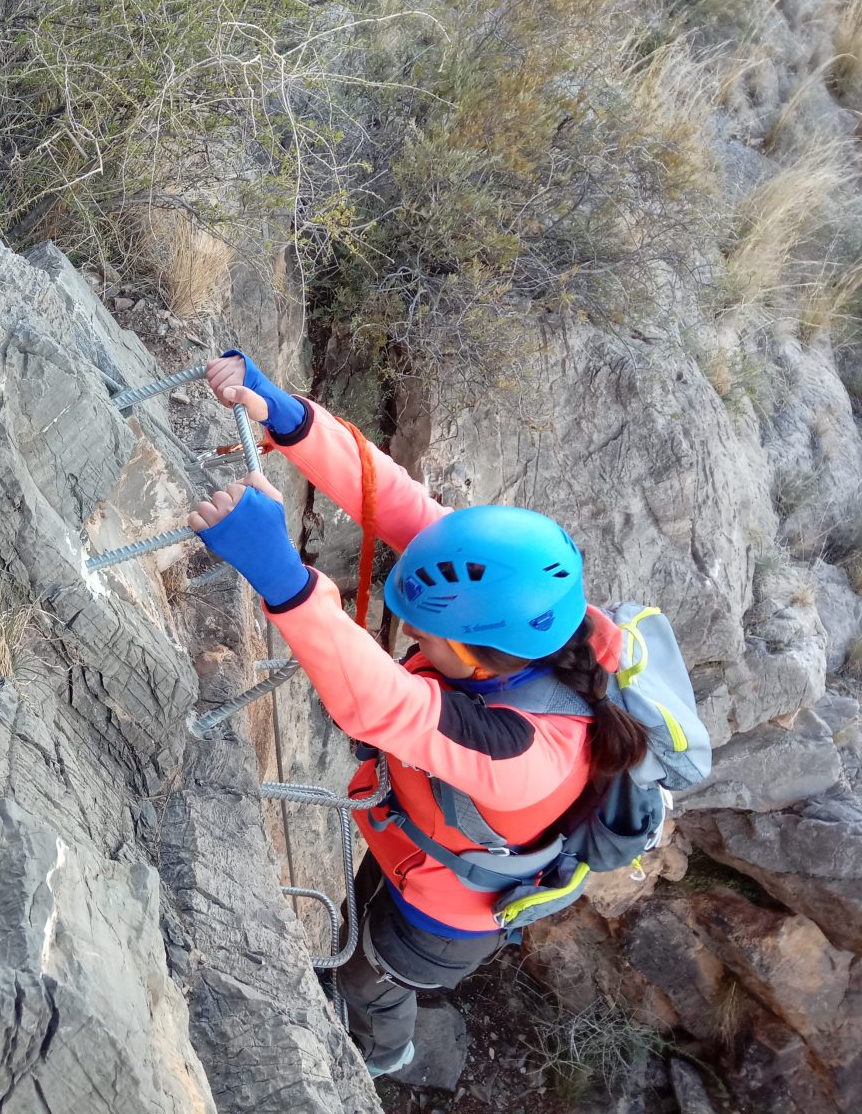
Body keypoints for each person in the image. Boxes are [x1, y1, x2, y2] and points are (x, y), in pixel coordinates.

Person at [187, 351, 650, 1078]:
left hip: (447, 918)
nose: (411, 640)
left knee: (372, 973)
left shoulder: (525, 750)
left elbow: (384, 706)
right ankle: (371, 1014)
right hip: (417, 841)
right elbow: (397, 504)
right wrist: (289, 416)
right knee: (363, 924)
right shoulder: (516, 611)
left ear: (471, 654)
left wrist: (281, 577)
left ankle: (382, 1054)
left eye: (425, 635)